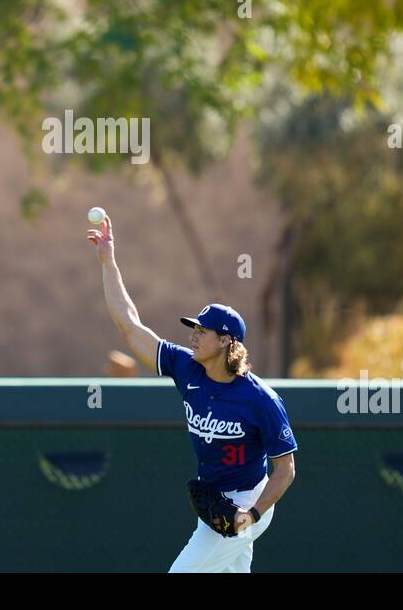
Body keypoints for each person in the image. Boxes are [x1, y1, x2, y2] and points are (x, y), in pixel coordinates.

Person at [87, 213, 297, 572]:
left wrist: (252, 514)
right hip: (215, 503)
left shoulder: (261, 399)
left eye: (203, 330)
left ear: (227, 342)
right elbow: (129, 326)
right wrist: (108, 260)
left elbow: (286, 469)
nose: (193, 335)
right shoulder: (186, 367)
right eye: (194, 328)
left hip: (248, 502)